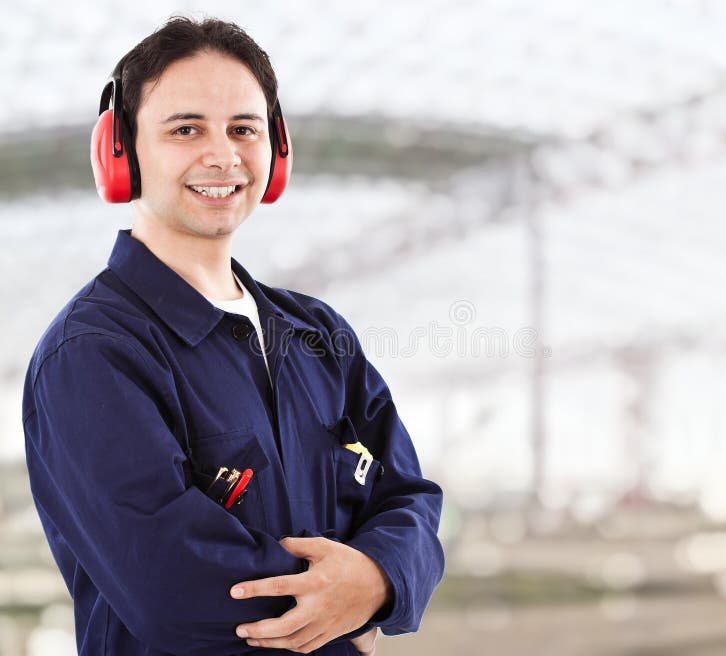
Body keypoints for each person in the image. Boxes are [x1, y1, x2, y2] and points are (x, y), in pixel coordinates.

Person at [22, 15, 444, 656]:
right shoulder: (92, 355)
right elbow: (170, 585)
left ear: (276, 152)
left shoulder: (318, 334)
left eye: (243, 129)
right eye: (185, 129)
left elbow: (410, 497)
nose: (222, 155)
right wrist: (349, 606)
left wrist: (382, 578)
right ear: (121, 151)